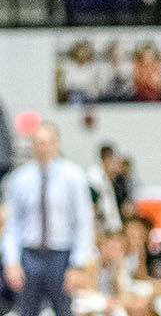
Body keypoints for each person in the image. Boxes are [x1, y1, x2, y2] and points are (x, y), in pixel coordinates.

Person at [3, 122, 97, 316]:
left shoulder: (73, 176)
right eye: (37, 143)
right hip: (30, 255)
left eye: (46, 142)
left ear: (56, 144)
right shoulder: (19, 179)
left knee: (63, 310)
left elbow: (83, 223)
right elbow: (12, 225)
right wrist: (11, 260)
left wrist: (77, 264)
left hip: (61, 254)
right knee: (27, 311)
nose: (41, 147)